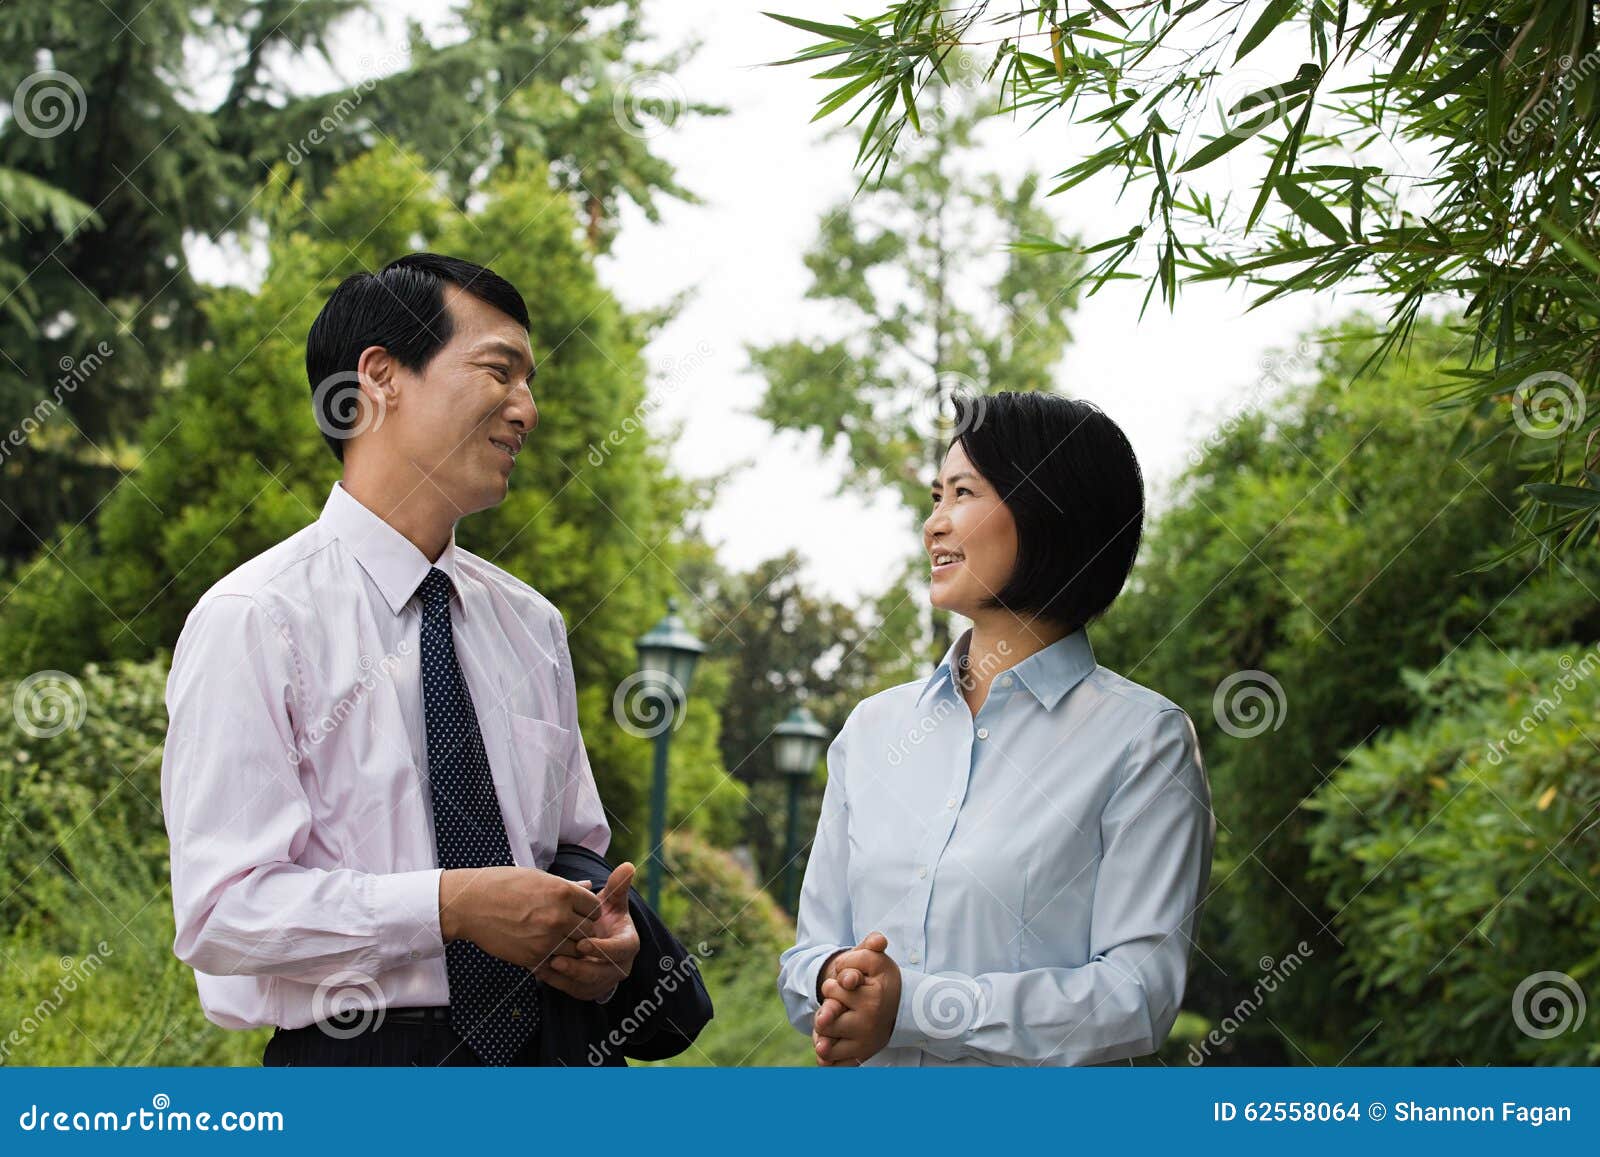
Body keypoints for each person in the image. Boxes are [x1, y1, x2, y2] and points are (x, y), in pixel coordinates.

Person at [161, 253, 684, 1066]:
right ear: (379, 377)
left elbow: (574, 853)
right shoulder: (255, 618)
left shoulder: (531, 625)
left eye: (530, 382)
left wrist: (604, 944)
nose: (529, 410)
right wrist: (450, 905)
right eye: (499, 372)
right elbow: (222, 911)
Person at [777, 390, 1215, 1067]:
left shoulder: (1142, 741)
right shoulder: (872, 731)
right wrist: (836, 978)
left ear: (1049, 510)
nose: (935, 524)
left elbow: (1138, 996)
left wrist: (913, 1004)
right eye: (935, 497)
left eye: (963, 493)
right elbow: (805, 959)